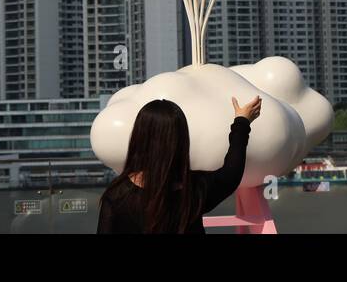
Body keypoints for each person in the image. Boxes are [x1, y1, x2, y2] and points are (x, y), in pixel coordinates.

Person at [96, 94, 262, 234]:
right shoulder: (194, 189)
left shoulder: (117, 196)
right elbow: (231, 174)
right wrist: (241, 122)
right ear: (181, 142)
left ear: (139, 138)